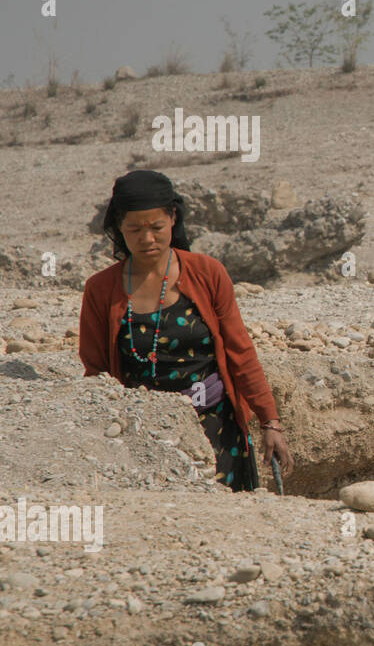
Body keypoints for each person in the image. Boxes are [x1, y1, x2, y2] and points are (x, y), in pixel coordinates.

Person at [78, 170, 292, 492]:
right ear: (118, 227)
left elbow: (240, 352)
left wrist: (270, 422)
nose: (147, 239)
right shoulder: (100, 289)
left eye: (156, 227)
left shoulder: (208, 273)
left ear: (173, 219)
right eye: (134, 229)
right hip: (144, 434)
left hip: (217, 426)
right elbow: (96, 371)